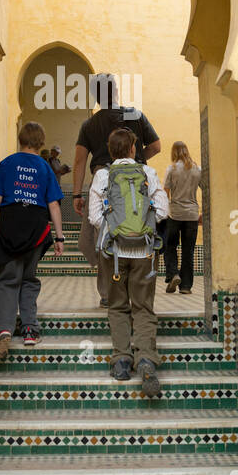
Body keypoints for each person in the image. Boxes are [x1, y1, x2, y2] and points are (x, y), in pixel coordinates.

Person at [89, 127, 169, 398]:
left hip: (113, 253)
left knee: (118, 307)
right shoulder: (148, 173)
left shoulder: (102, 175)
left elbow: (94, 216)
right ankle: (145, 358)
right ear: (134, 149)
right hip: (144, 253)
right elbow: (163, 209)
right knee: (143, 307)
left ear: (111, 151)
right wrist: (143, 228)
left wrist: (117, 231)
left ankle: (122, 360)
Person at [71, 73, 161, 306]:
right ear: (116, 90)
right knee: (139, 230)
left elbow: (80, 161)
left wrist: (77, 194)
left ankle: (108, 293)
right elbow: (156, 146)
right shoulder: (134, 114)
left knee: (102, 236)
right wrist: (137, 160)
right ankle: (138, 288)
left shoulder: (90, 123)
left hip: (104, 182)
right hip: (137, 182)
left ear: (95, 96)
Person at [0, 122, 65, 360]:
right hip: (35, 229)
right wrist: (59, 237)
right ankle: (29, 329)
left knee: (7, 279)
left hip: (9, 226)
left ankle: (4, 331)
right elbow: (54, 205)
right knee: (28, 279)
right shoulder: (46, 168)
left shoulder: (6, 164)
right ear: (41, 143)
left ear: (20, 139)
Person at [163, 140, 202, 294]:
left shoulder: (172, 169)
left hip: (174, 214)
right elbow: (207, 188)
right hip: (192, 215)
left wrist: (164, 209)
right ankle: (185, 286)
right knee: (188, 250)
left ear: (174, 152)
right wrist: (203, 212)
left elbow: (165, 191)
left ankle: (173, 274)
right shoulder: (197, 169)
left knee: (170, 246)